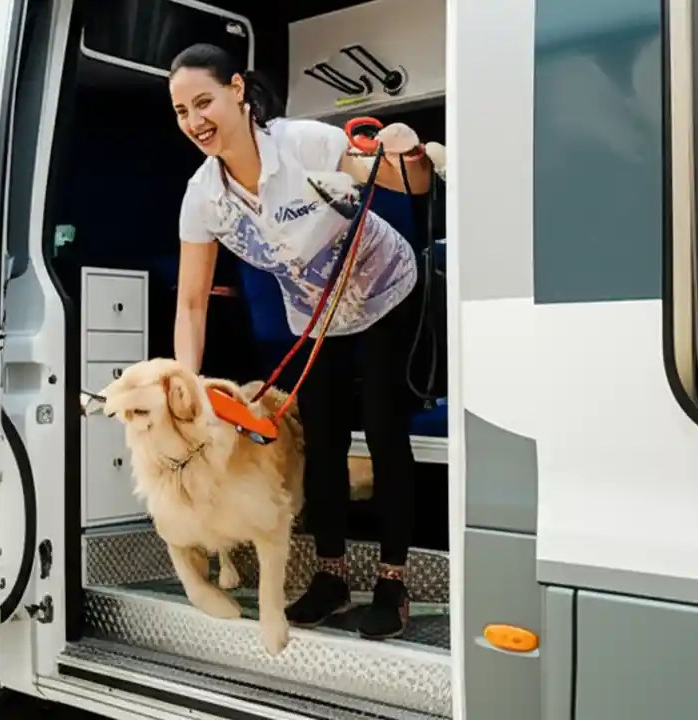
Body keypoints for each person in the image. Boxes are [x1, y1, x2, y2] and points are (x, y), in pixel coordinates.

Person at [168, 42, 432, 640]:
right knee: (322, 439)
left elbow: (411, 183)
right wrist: (189, 387)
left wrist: (406, 148)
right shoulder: (203, 197)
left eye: (204, 101)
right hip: (316, 315)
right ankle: (332, 577)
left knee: (386, 430)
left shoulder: (304, 144)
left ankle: (393, 581)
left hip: (387, 289)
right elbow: (190, 303)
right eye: (182, 112)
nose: (195, 121)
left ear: (238, 89)